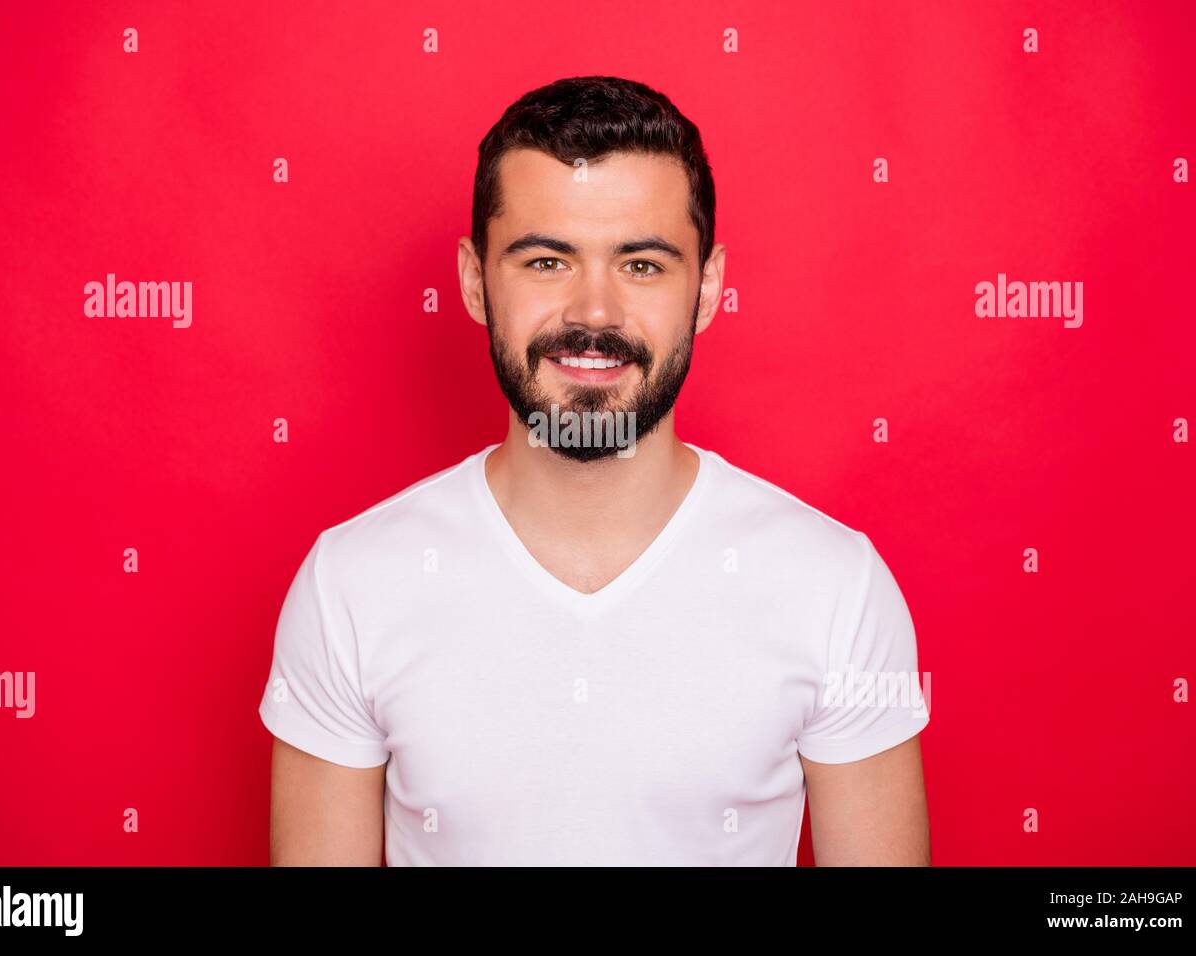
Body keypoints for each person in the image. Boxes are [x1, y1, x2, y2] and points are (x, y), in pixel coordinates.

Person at [260, 75, 930, 866]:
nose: (595, 313)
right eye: (547, 261)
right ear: (476, 282)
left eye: (642, 265)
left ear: (708, 289)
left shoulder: (835, 586)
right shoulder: (351, 585)